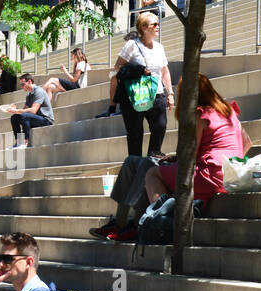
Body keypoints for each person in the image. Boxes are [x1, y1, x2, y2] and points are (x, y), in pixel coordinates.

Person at [144, 74, 251, 208]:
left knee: (152, 173)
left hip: (210, 175)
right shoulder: (229, 112)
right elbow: (247, 143)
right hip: (233, 174)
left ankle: (161, 218)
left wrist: (175, 159)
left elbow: (189, 155)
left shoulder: (200, 114)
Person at [99, 14, 175, 158]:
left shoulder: (159, 47)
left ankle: (153, 156)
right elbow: (118, 68)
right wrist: (139, 70)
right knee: (135, 134)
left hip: (156, 93)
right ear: (143, 28)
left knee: (160, 126)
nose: (158, 26)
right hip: (134, 95)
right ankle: (135, 166)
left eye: (158, 24)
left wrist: (170, 93)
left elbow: (164, 71)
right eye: (154, 24)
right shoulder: (132, 45)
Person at [5, 73, 55, 149]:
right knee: (14, 117)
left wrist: (17, 110)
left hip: (46, 120)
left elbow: (33, 110)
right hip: (36, 118)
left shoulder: (38, 91)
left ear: (29, 82)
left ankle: (25, 142)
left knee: (24, 116)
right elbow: (25, 110)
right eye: (21, 85)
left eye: (23, 84)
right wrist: (15, 109)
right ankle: (18, 142)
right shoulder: (29, 95)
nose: (21, 86)